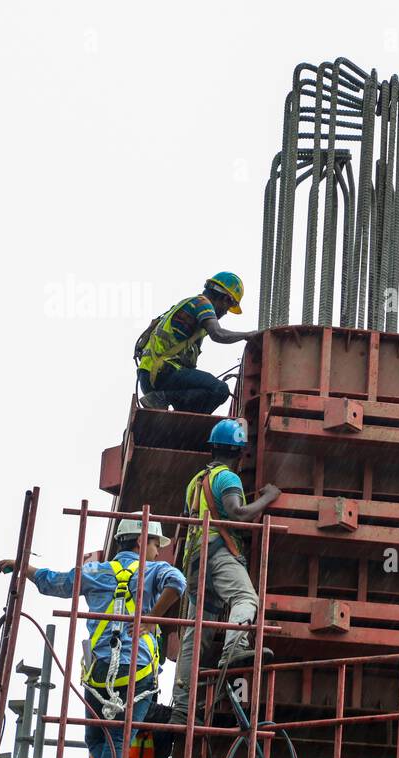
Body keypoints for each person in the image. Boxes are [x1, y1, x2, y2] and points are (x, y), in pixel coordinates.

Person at [0, 517, 185, 758]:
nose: (156, 551)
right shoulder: (153, 571)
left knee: (98, 739)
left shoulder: (96, 572)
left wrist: (23, 567)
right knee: (117, 741)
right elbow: (178, 582)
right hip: (136, 674)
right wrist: (152, 617)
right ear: (140, 541)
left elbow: (53, 582)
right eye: (154, 544)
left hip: (98, 676)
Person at [169, 418, 281, 728]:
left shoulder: (196, 481)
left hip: (194, 562)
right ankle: (234, 649)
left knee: (196, 634)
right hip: (219, 552)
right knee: (245, 598)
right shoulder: (227, 479)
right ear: (240, 452)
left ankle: (181, 708)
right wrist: (269, 497)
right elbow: (238, 513)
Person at [135, 272, 258, 414]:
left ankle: (179, 421)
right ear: (225, 298)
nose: (225, 313)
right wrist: (247, 335)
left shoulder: (188, 305)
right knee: (219, 390)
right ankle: (160, 398)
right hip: (162, 372)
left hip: (151, 375)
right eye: (229, 307)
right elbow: (218, 334)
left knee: (197, 402)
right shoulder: (202, 304)